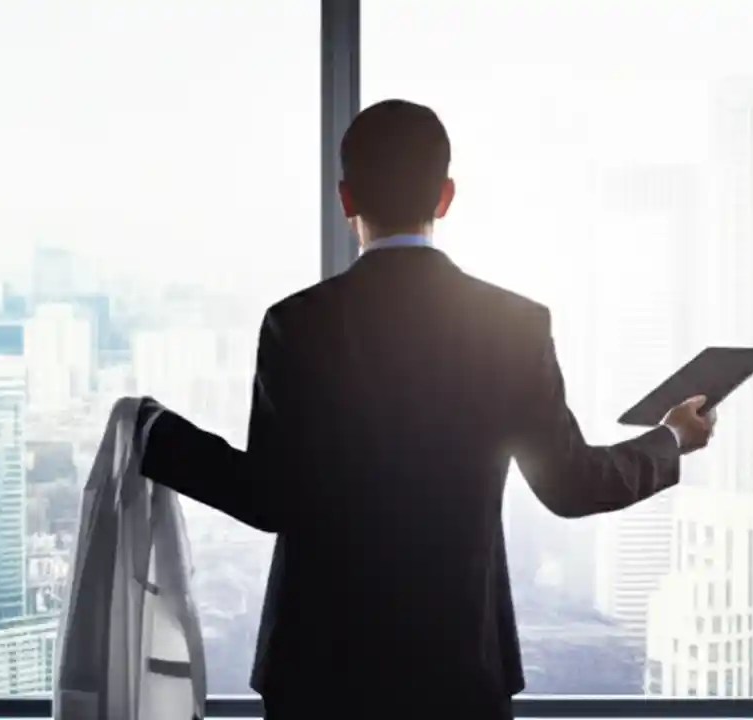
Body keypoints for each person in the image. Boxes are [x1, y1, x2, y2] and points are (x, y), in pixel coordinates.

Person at [135, 99, 717, 720]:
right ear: (445, 196)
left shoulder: (295, 324)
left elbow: (267, 498)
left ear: (345, 198)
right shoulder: (514, 326)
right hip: (457, 671)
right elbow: (572, 485)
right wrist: (671, 440)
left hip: (319, 673)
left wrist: (154, 435)